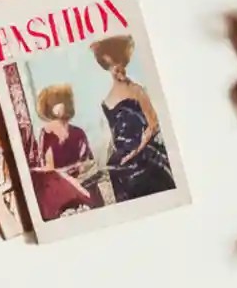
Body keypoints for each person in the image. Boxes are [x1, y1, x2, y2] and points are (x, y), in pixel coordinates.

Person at [92, 36, 176, 202]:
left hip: (146, 157)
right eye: (112, 65)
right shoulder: (106, 101)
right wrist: (112, 161)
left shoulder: (137, 90)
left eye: (119, 63)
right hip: (121, 163)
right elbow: (114, 135)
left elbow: (153, 124)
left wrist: (135, 152)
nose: (117, 68)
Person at [29, 84, 99, 220]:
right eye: (56, 102)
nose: (61, 105)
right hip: (60, 188)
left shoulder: (78, 132)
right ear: (48, 107)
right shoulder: (46, 133)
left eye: (63, 101)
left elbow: (87, 162)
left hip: (82, 184)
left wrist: (79, 170)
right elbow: (48, 166)